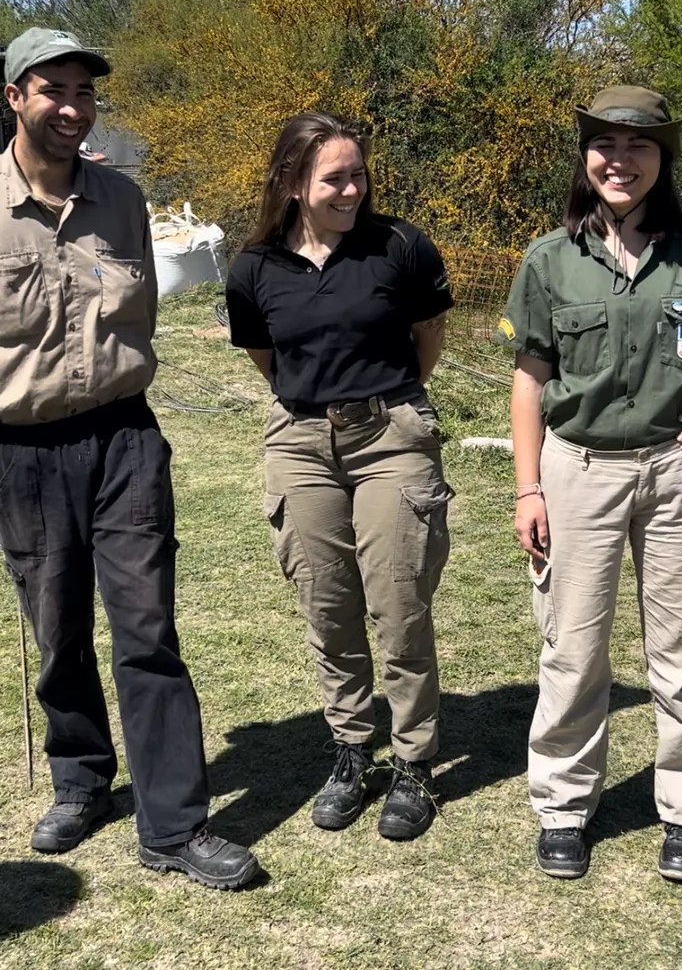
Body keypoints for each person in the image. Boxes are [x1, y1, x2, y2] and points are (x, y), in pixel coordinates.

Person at [497, 86, 682, 883]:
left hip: (679, 472)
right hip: (576, 471)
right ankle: (562, 806)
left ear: (663, 161)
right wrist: (528, 489)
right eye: (605, 145)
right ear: (586, 155)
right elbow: (529, 379)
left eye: (639, 146)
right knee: (573, 647)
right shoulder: (548, 257)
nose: (619, 160)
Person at [0, 27, 259, 889]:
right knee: (57, 627)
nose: (73, 107)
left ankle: (174, 826)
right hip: (23, 449)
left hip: (124, 437)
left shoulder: (124, 201)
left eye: (85, 92)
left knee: (147, 629)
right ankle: (81, 780)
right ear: (15, 97)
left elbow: (140, 313)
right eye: (54, 90)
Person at [226, 112, 455, 840]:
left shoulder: (400, 246)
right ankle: (354, 748)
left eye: (359, 173)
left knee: (398, 602)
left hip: (390, 433)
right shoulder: (253, 267)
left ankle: (415, 760)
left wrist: (387, 407)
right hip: (298, 440)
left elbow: (429, 336)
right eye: (335, 177)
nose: (353, 188)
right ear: (293, 183)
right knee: (327, 606)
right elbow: (267, 357)